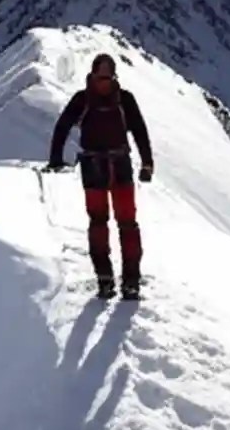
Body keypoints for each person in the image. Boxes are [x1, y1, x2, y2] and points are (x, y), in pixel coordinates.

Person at [46, 53, 154, 298]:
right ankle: (109, 279)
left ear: (114, 76)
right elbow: (62, 127)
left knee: (119, 223)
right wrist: (55, 157)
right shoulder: (95, 100)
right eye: (101, 77)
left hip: (110, 166)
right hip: (102, 166)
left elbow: (139, 130)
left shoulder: (114, 100)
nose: (104, 82)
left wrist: (147, 163)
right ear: (93, 75)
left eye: (108, 77)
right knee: (105, 222)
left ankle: (128, 281)